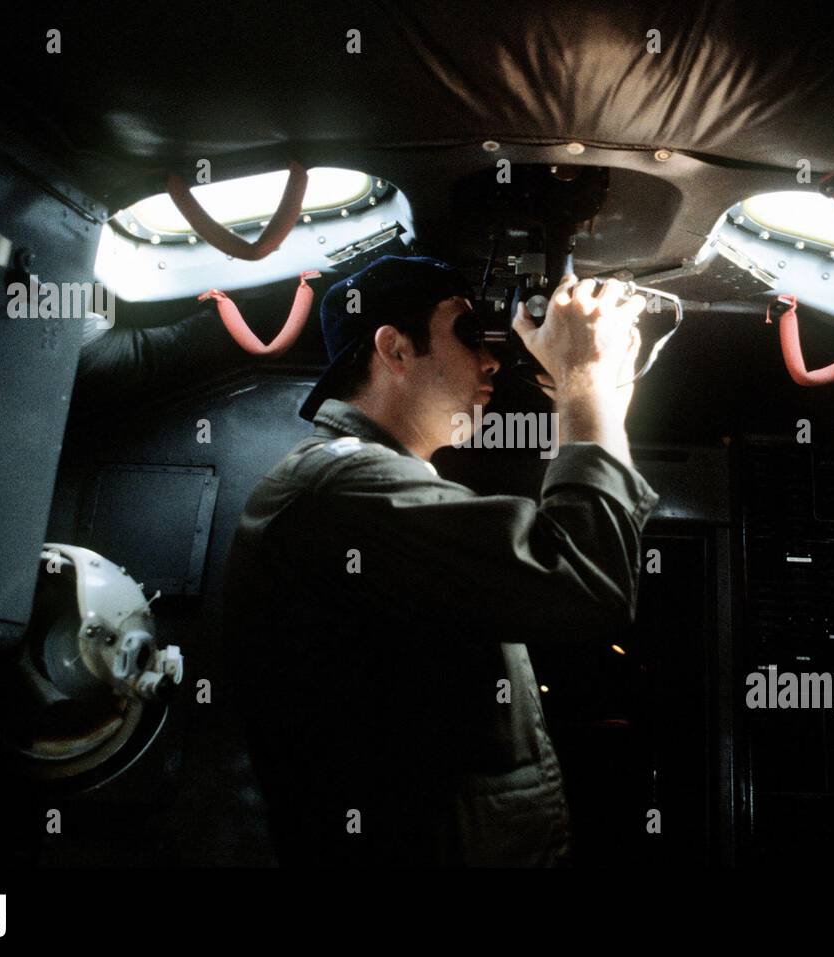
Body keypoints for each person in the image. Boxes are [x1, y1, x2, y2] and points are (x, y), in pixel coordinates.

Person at [222, 254, 659, 867]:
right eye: (466, 333)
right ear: (395, 349)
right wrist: (583, 377)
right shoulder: (344, 486)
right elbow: (588, 580)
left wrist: (599, 394)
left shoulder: (364, 483)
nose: (491, 360)